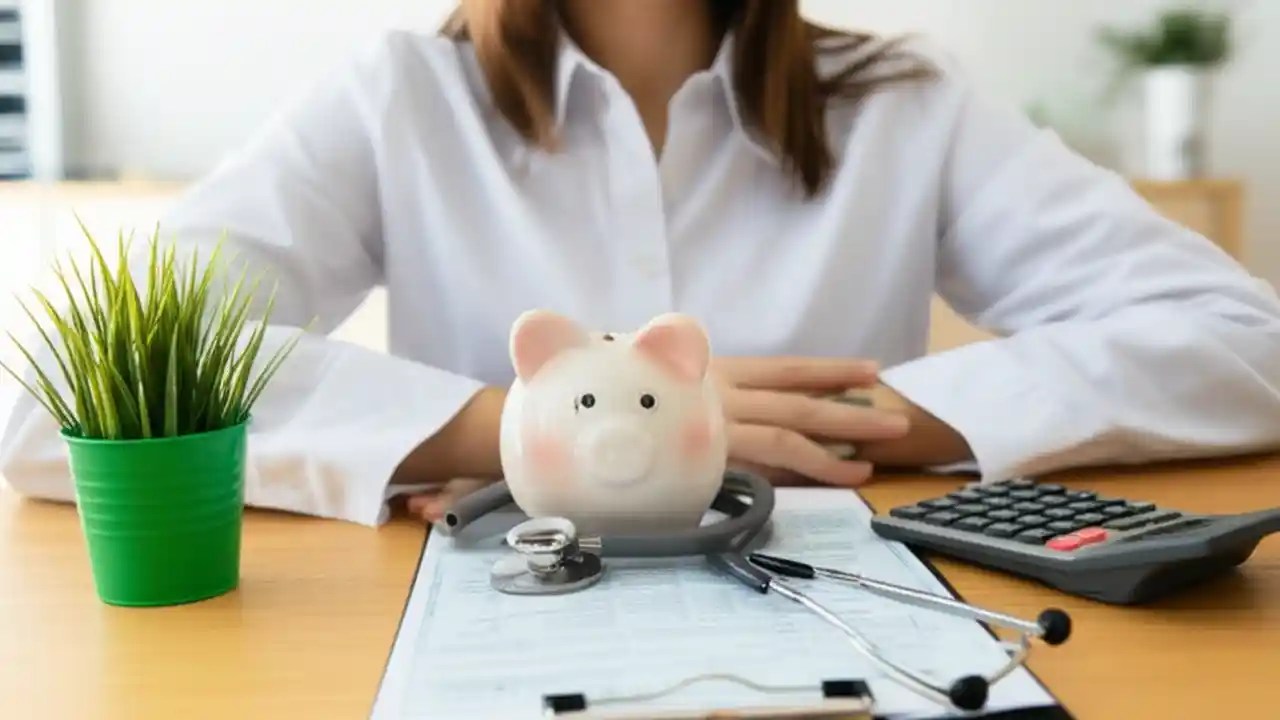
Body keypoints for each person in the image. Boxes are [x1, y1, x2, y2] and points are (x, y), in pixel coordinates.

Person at [4, 0, 1280, 527]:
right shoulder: (400, 97)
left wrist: (862, 424)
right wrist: (527, 430)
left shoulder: (904, 104)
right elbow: (51, 393)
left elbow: (1242, 338)